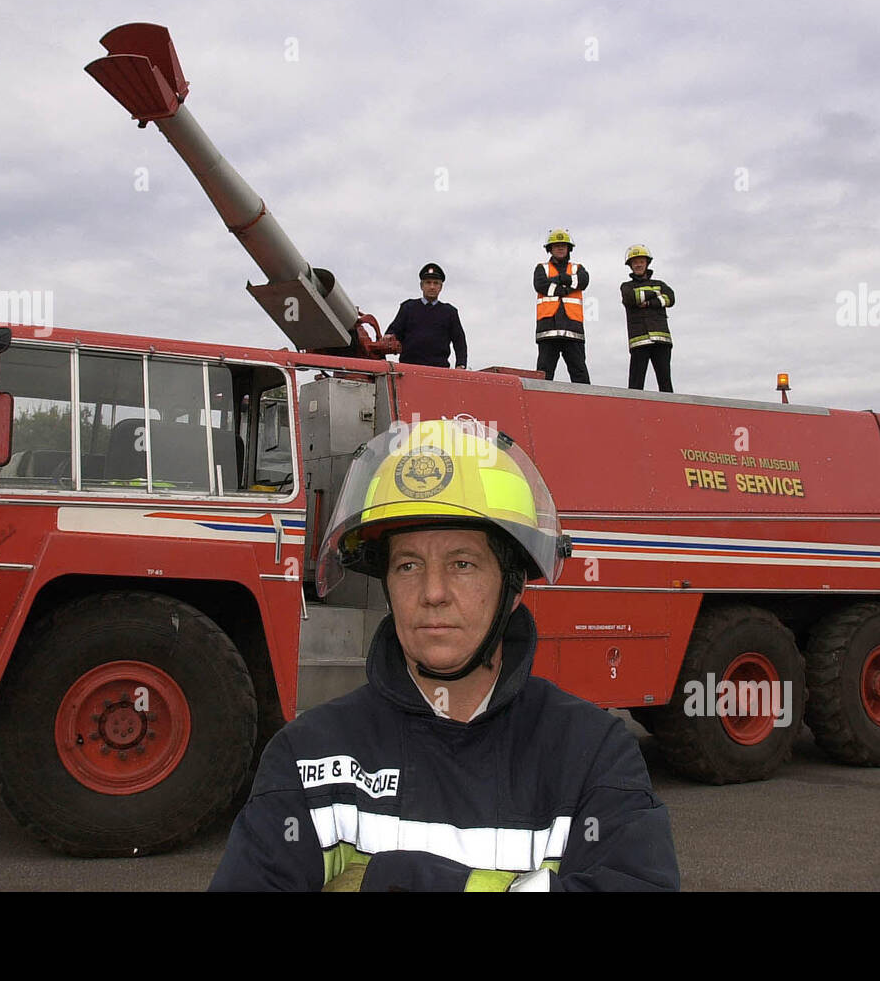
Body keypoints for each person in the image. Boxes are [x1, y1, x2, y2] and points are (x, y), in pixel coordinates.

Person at [209, 419, 679, 892]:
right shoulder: (307, 756)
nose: (433, 593)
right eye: (408, 565)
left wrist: (399, 881)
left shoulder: (590, 755)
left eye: (462, 564)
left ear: (512, 587)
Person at [384, 263, 467, 369]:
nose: (432, 287)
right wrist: (389, 338)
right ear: (421, 286)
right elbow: (393, 333)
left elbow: (459, 341)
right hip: (408, 370)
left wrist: (461, 365)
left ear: (440, 287)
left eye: (436, 283)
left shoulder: (450, 312)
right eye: (428, 283)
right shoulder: (408, 308)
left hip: (439, 371)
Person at [533, 229, 590, 383]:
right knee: (543, 376)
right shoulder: (541, 268)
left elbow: (583, 281)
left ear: (569, 248)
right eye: (556, 245)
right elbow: (541, 285)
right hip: (548, 331)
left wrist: (558, 280)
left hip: (573, 331)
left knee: (580, 375)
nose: (560, 248)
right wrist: (567, 287)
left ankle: (585, 406)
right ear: (550, 249)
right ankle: (541, 406)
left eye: (563, 245)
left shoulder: (578, 268)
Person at [620, 244, 677, 392]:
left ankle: (669, 412)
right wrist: (656, 294)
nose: (638, 265)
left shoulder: (660, 284)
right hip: (639, 340)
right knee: (635, 384)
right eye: (635, 262)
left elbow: (671, 298)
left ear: (647, 263)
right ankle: (632, 412)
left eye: (641, 261)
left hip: (662, 340)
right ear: (630, 266)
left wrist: (648, 302)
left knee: (665, 382)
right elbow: (631, 298)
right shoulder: (626, 286)